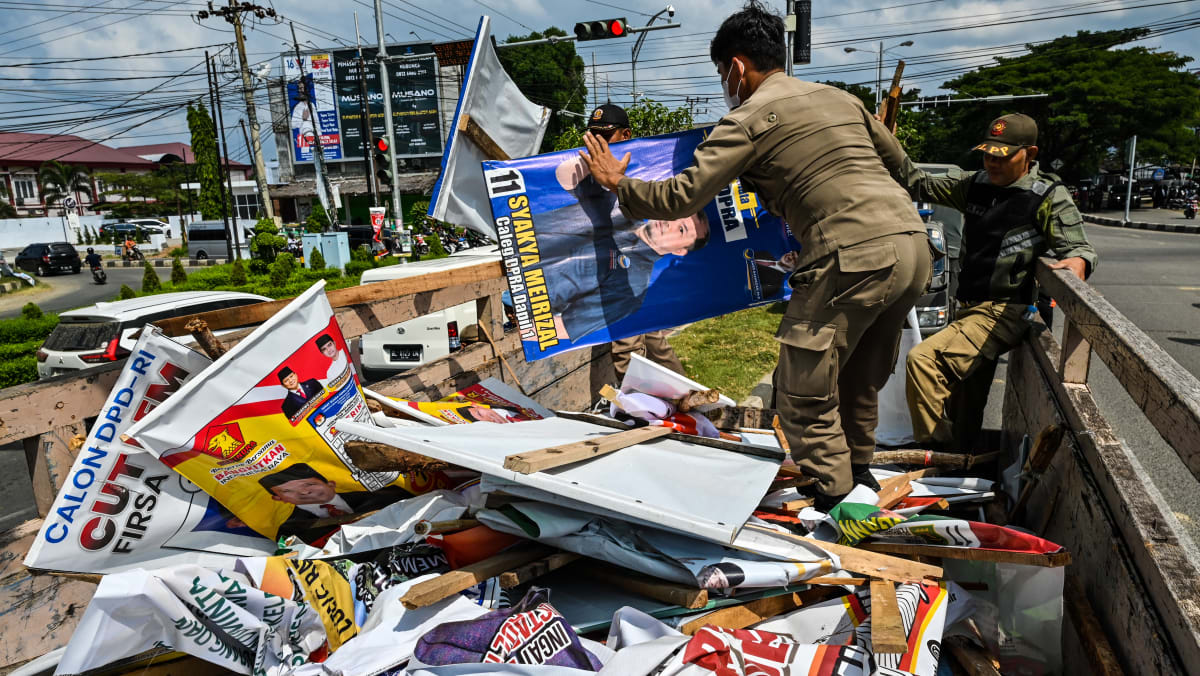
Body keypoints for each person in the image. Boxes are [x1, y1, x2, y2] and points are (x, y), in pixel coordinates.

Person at [578, 0, 930, 509]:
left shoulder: (746, 120)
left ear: (737, 68)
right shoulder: (842, 99)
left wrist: (618, 182)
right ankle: (860, 475)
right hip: (912, 246)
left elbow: (681, 197)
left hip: (849, 254)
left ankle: (839, 506)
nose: (725, 84)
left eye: (723, 73)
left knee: (802, 391)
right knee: (858, 377)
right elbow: (903, 168)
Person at [873, 113, 1097, 447]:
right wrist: (882, 137)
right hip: (968, 308)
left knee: (923, 361)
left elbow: (1079, 248)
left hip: (1004, 310)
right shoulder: (974, 185)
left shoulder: (1046, 195)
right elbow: (916, 181)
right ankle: (960, 463)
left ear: (1030, 154)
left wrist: (1077, 263)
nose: (992, 163)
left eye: (1002, 156)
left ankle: (936, 453)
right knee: (966, 403)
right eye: (987, 154)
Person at [578, 103, 687, 378]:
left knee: (630, 343)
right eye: (593, 135)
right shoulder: (587, 169)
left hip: (634, 264)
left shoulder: (643, 168)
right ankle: (685, 399)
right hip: (609, 264)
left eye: (606, 135)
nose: (597, 142)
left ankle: (638, 411)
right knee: (652, 340)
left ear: (625, 135)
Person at [258, 463, 412, 540]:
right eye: (287, 491)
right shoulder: (291, 531)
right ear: (278, 499)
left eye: (309, 484)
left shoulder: (382, 494)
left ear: (330, 483)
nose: (304, 492)